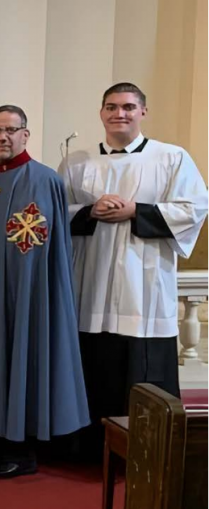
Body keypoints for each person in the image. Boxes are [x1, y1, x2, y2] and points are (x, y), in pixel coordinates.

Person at [58, 83, 208, 457]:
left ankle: (147, 452)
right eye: (111, 107)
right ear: (101, 113)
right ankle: (87, 450)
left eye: (128, 107)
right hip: (90, 284)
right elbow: (54, 212)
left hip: (144, 287)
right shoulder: (76, 163)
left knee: (142, 368)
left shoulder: (171, 158)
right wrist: (89, 211)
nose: (119, 114)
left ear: (143, 112)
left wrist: (136, 211)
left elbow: (193, 208)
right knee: (94, 363)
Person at [0, 106, 88, 477]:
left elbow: (48, 245)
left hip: (26, 294)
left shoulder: (43, 179)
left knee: (19, 358)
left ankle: (21, 449)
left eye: (10, 130)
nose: (2, 137)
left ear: (25, 135)